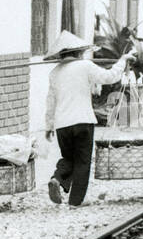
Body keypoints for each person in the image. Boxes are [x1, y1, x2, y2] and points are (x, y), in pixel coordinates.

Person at [43, 30, 130, 207]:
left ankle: (57, 179)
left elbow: (50, 102)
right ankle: (75, 201)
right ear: (77, 52)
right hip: (83, 120)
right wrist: (123, 61)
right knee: (82, 161)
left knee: (68, 159)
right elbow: (109, 77)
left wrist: (48, 126)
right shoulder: (85, 66)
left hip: (62, 124)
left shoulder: (54, 73)